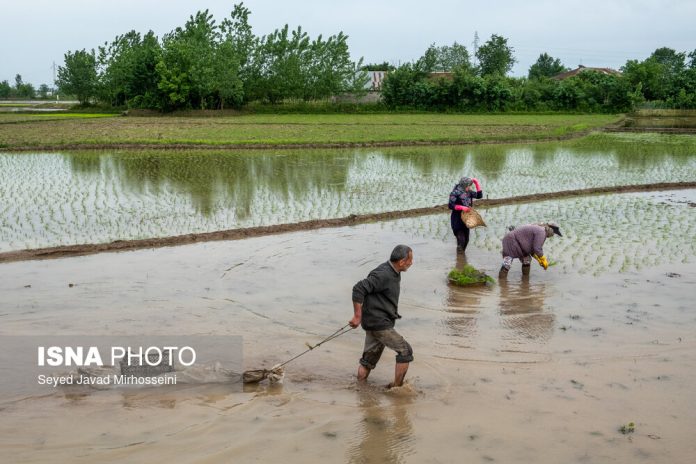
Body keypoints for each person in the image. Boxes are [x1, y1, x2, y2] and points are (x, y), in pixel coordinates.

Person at [349, 245, 414, 388]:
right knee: (405, 352)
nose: (411, 263)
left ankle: (360, 388)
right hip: (379, 324)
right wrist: (357, 316)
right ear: (402, 261)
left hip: (374, 322)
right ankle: (397, 390)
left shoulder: (392, 270)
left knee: (368, 361)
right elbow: (358, 289)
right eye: (410, 259)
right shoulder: (383, 274)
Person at [448, 176, 483, 253]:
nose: (470, 187)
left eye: (470, 186)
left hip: (466, 219)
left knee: (466, 240)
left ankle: (460, 257)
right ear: (464, 185)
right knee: (461, 239)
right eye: (469, 186)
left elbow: (479, 196)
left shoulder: (469, 192)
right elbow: (450, 205)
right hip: (457, 219)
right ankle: (460, 258)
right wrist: (462, 207)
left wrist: (476, 183)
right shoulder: (455, 193)